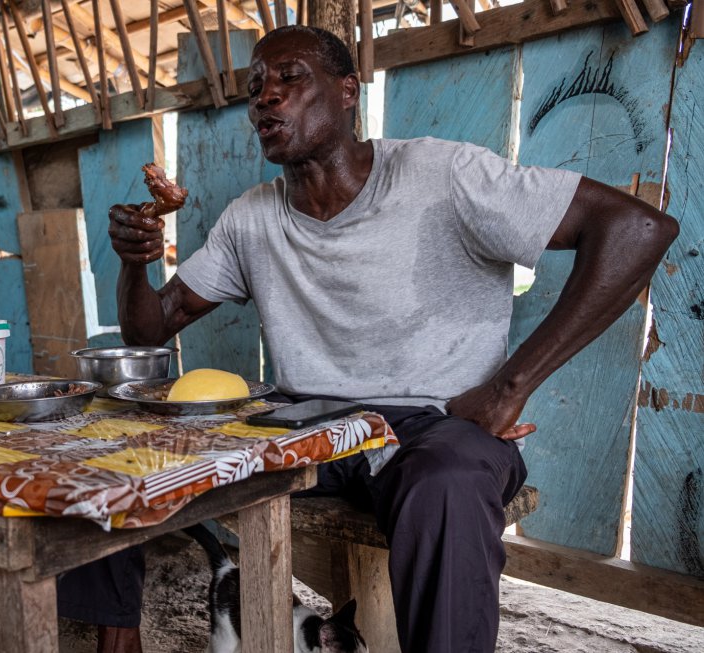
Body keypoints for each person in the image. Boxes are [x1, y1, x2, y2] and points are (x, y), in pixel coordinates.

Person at [84, 24, 679, 653]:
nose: (265, 97)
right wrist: (134, 264)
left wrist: (510, 387)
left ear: (348, 92)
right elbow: (151, 328)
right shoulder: (250, 217)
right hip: (304, 425)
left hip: (434, 424)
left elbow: (637, 228)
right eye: (255, 88)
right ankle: (117, 642)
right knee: (110, 440)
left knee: (448, 483)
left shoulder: (442, 174)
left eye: (289, 78)